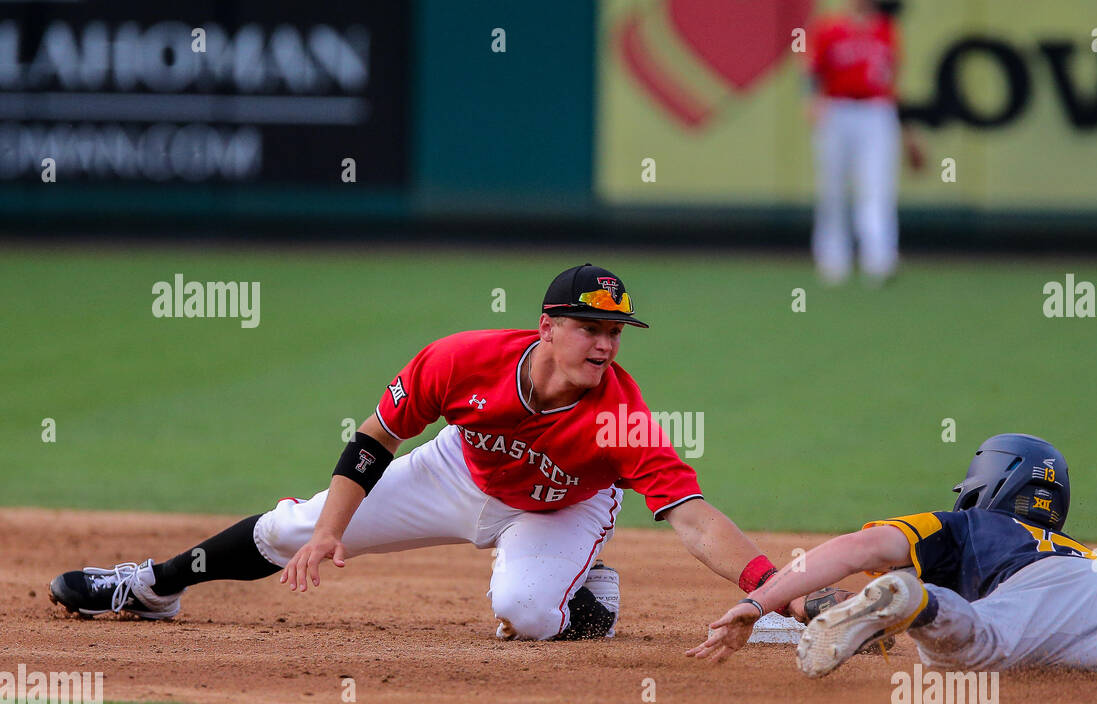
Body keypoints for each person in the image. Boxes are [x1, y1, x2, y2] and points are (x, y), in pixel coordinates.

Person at [49, 264, 790, 641]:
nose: (604, 342)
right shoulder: (461, 361)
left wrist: (768, 582)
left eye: (614, 332)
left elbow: (689, 516)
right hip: (456, 472)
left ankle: (586, 599)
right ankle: (152, 587)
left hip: (562, 506)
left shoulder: (620, 415)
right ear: (546, 327)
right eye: (588, 326)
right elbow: (375, 438)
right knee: (290, 530)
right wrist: (333, 528)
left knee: (525, 613)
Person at [691, 433, 1097, 679]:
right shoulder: (1064, 540)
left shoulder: (967, 523)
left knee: (974, 653)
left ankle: (915, 602)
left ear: (989, 481)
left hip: (1036, 596)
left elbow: (857, 548)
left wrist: (758, 601)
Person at [807, 0, 923, 284]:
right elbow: (812, 70)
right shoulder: (829, 28)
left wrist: (908, 134)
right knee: (832, 186)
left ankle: (879, 259)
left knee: (877, 185)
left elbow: (892, 81)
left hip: (876, 111)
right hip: (837, 108)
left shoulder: (886, 29)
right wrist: (812, 100)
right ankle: (832, 260)